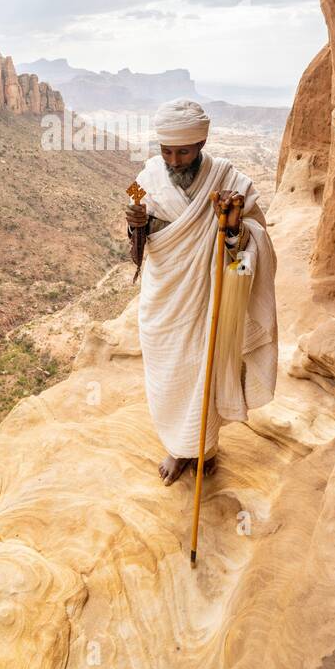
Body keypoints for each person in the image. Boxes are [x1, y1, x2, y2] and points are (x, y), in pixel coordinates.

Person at [125, 98, 278, 485]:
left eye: (183, 151)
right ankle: (178, 449)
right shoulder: (144, 179)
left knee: (205, 369)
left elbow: (255, 243)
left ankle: (205, 446)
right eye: (166, 151)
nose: (174, 160)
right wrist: (137, 226)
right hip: (166, 297)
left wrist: (233, 232)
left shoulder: (232, 182)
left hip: (210, 294)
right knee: (170, 372)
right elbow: (137, 248)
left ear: (202, 143)